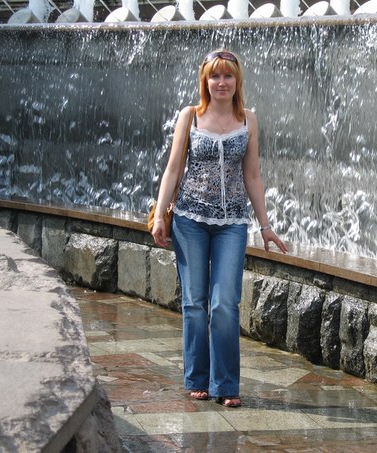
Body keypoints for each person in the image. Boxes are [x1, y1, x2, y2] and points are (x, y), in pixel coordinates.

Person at [150, 50, 287, 408]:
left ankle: (225, 383)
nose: (221, 82)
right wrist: (161, 215)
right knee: (195, 303)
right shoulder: (190, 116)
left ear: (237, 81)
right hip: (190, 220)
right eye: (215, 76)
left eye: (227, 76)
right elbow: (173, 169)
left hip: (232, 224)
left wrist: (265, 225)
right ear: (205, 81)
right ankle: (198, 378)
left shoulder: (249, 120)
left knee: (225, 303)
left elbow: (252, 175)